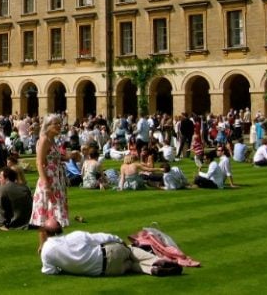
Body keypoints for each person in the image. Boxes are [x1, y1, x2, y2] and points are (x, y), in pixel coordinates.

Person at [39, 218, 183, 277]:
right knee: (130, 251)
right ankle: (156, 261)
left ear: (45, 233)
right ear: (60, 229)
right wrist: (119, 240)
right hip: (110, 254)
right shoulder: (76, 235)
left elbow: (49, 271)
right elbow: (103, 237)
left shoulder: (46, 251)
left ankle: (153, 270)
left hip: (108, 271)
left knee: (131, 266)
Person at [30, 113, 69, 248]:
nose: (59, 126)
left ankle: (54, 247)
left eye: (60, 123)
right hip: (49, 180)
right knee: (46, 214)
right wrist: (45, 182)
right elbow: (39, 162)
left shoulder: (52, 140)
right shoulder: (44, 139)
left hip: (57, 180)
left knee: (53, 212)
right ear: (48, 126)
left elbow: (54, 158)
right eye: (56, 124)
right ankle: (43, 246)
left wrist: (69, 157)